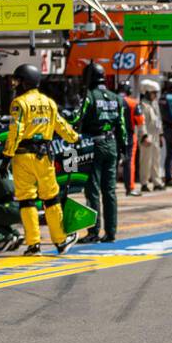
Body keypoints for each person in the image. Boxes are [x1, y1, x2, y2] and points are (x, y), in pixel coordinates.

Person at [3, 63, 80, 256]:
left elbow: (16, 131)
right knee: (51, 199)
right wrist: (75, 138)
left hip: (21, 157)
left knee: (26, 201)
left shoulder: (19, 103)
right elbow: (61, 125)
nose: (15, 84)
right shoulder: (49, 103)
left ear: (26, 82)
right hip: (44, 157)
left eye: (18, 80)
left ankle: (33, 245)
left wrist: (7, 155)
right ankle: (61, 240)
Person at [75, 63, 128, 243]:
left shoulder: (88, 96)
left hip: (94, 145)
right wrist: (124, 148)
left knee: (93, 191)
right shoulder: (116, 98)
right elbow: (121, 125)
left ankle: (93, 232)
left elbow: (77, 118)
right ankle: (111, 232)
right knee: (110, 191)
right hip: (112, 144)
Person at [137, 80, 165, 191]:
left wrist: (161, 134)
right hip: (147, 136)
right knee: (146, 160)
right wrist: (143, 135)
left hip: (155, 136)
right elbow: (141, 122)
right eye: (153, 93)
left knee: (156, 160)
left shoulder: (154, 104)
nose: (155, 95)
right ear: (147, 92)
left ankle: (157, 182)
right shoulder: (143, 105)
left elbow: (158, 120)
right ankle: (144, 183)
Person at [117, 80, 143, 195]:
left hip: (113, 135)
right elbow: (140, 120)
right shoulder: (133, 103)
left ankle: (110, 186)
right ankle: (130, 188)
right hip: (128, 135)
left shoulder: (113, 100)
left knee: (112, 162)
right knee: (129, 161)